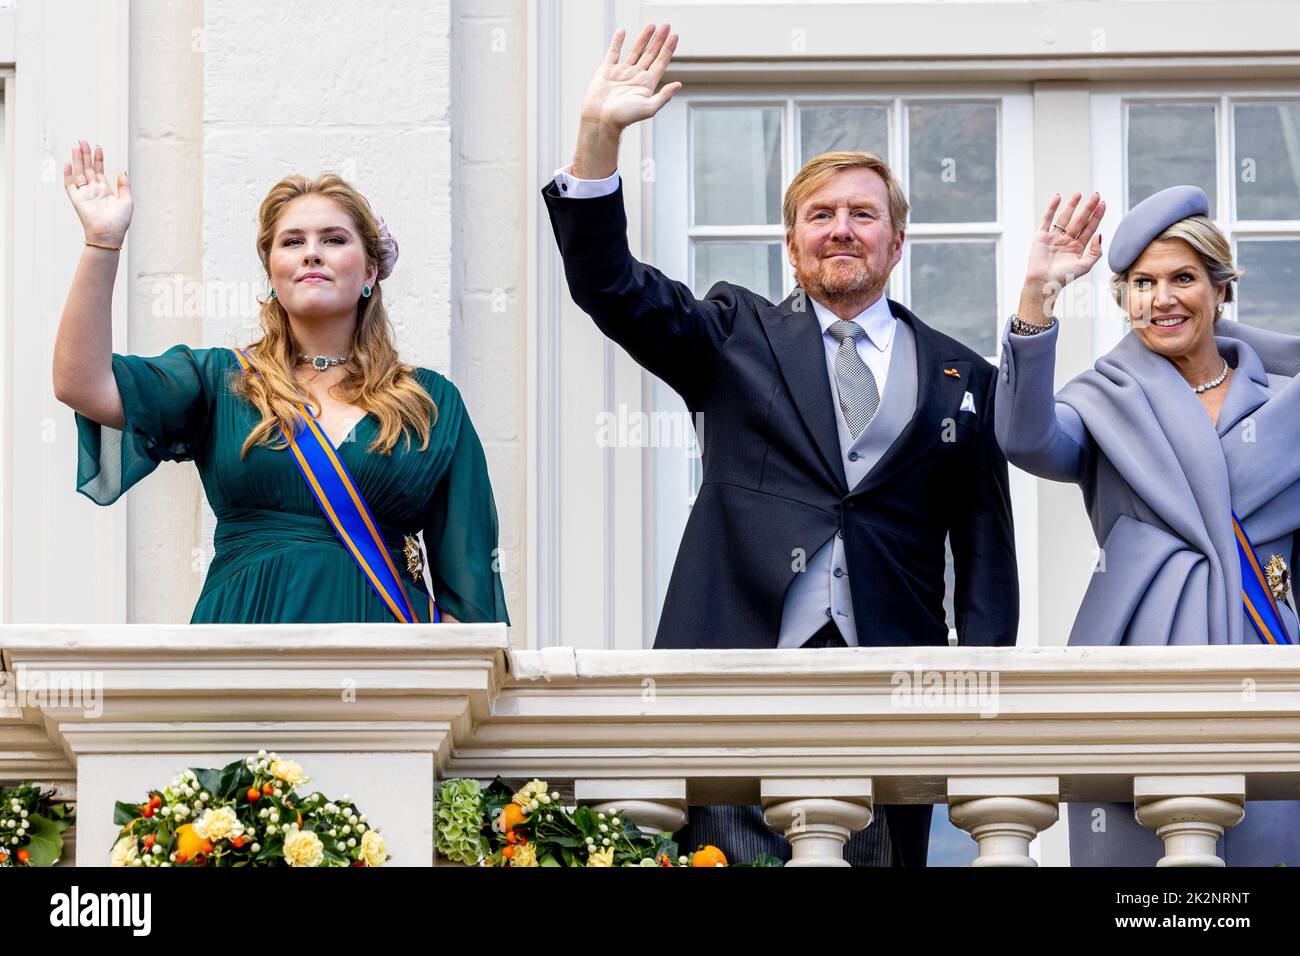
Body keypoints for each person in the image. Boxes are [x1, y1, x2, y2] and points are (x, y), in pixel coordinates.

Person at [543, 24, 1018, 866]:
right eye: (820, 216)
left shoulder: (963, 375)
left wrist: (973, 706)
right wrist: (600, 136)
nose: (842, 229)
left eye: (863, 215)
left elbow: (985, 565)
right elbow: (608, 285)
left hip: (891, 699)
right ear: (792, 246)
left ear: (896, 242)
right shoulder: (732, 333)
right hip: (732, 679)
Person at [52, 139, 509, 627]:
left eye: (334, 239)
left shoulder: (428, 402)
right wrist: (102, 244)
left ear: (371, 271)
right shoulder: (219, 381)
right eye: (292, 242)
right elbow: (82, 384)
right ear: (272, 272)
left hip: (385, 657)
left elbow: (472, 599)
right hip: (246, 644)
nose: (312, 253)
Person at [996, 184, 1300, 865]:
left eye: (1183, 278)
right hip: (1139, 665)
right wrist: (1037, 297)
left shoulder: (1285, 402)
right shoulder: (1105, 402)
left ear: (1222, 290)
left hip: (1271, 668)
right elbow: (1024, 436)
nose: (1161, 299)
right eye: (1142, 283)